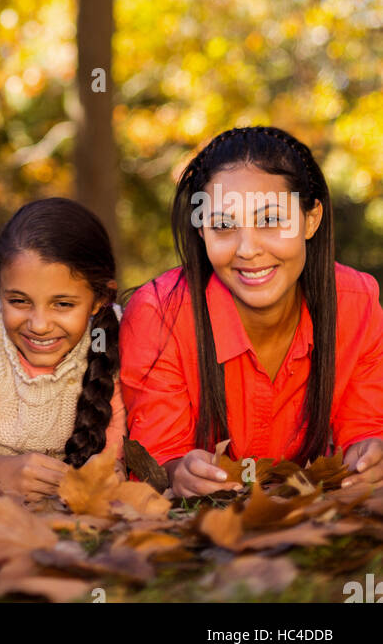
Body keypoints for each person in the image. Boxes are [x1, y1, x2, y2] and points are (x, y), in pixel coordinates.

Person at [120, 125, 383, 496]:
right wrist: (180, 472)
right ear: (202, 231)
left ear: (311, 219)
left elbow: (364, 427)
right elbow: (158, 456)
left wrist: (369, 454)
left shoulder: (357, 303)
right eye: (224, 225)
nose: (247, 249)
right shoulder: (159, 315)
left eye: (271, 220)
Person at [0, 197, 125, 501]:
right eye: (19, 301)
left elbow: (117, 456)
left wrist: (110, 470)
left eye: (63, 304)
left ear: (101, 298)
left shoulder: (115, 332)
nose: (39, 325)